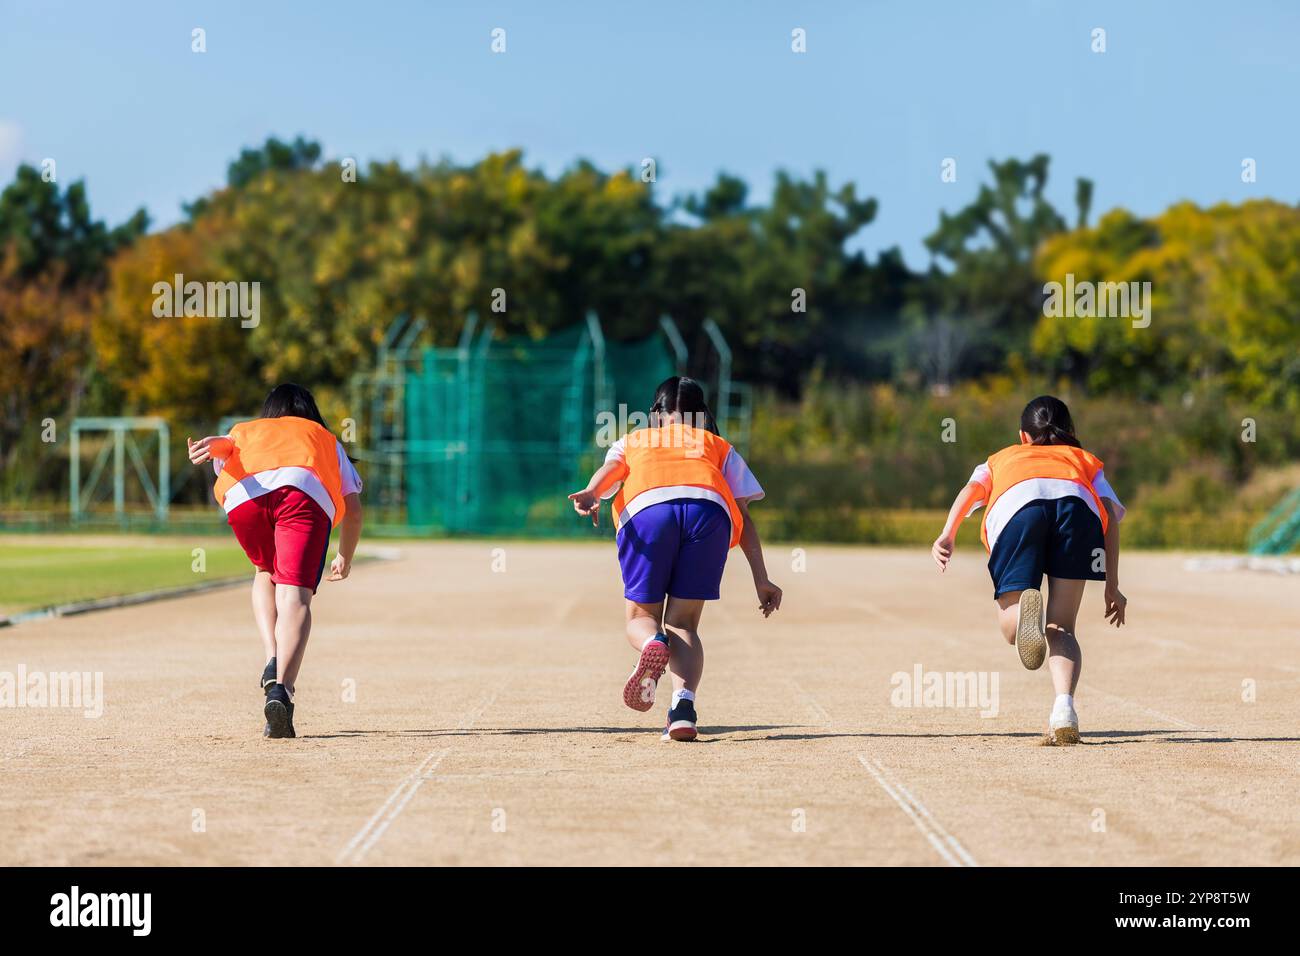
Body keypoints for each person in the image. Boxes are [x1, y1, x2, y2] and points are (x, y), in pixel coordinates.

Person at [569, 376, 782, 741]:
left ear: (657, 413)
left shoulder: (634, 440)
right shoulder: (716, 444)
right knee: (683, 624)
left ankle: (653, 643)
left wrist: (592, 491)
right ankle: (683, 709)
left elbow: (612, 472)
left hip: (649, 510)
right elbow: (743, 517)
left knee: (641, 617)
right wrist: (761, 578)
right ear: (702, 413)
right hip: (709, 513)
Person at [930, 395, 1127, 745]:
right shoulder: (1083, 460)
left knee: (1012, 629)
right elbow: (1109, 514)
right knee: (1062, 626)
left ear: (1023, 436)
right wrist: (1112, 584)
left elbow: (970, 491)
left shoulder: (1002, 457)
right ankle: (1064, 709)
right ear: (1071, 431)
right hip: (1075, 509)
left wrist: (948, 532)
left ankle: (1023, 615)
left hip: (1018, 508)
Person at [187, 383, 363, 739]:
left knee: (265, 570)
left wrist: (211, 444)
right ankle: (282, 688)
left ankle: (271, 655)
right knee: (295, 594)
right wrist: (344, 556)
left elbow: (226, 446)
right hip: (302, 493)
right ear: (310, 411)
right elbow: (355, 511)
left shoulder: (249, 430)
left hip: (244, 497)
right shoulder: (324, 438)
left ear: (269, 411)